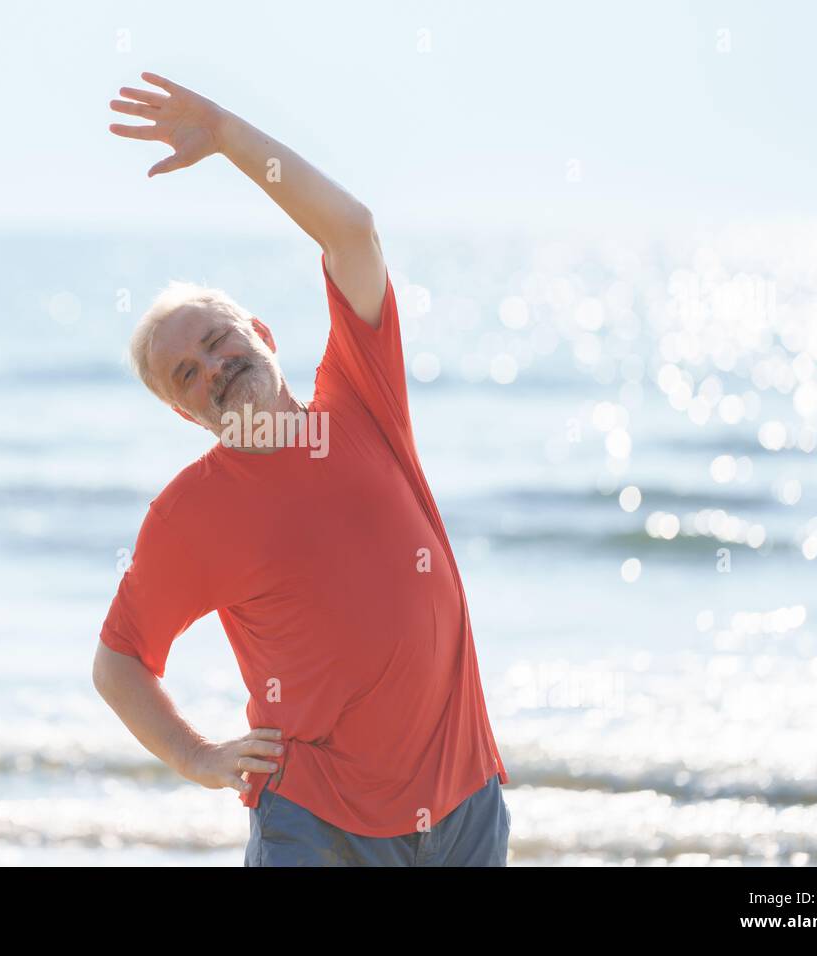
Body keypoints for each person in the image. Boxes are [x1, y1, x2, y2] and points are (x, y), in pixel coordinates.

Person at [93, 71, 512, 866]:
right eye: (186, 374)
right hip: (318, 828)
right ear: (187, 414)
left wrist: (223, 136)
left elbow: (351, 231)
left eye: (216, 340)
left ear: (259, 331)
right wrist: (196, 757)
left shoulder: (361, 397)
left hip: (464, 806)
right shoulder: (189, 517)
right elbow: (119, 664)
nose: (212, 367)